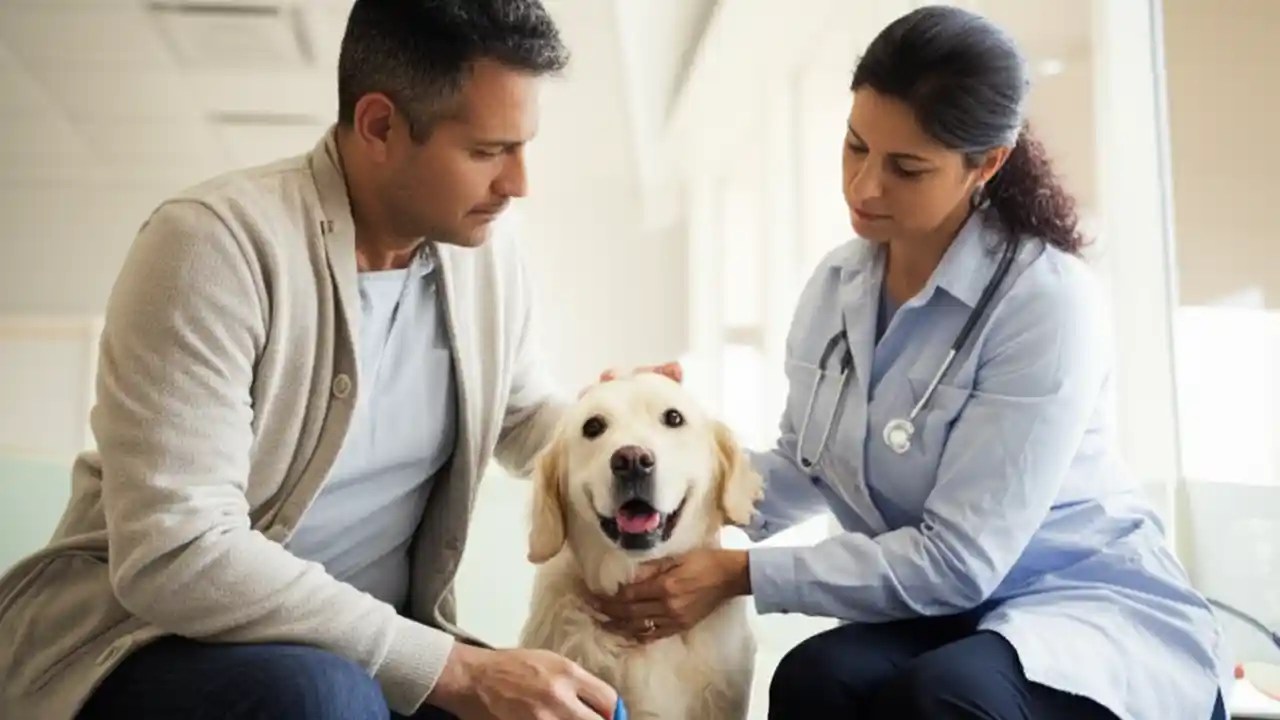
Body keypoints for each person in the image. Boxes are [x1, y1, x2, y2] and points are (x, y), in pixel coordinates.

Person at [590, 6, 1232, 720]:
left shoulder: (1046, 305)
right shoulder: (838, 287)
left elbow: (960, 561)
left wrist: (743, 573)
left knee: (946, 698)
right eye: (855, 147)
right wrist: (663, 449)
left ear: (986, 163)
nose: (865, 187)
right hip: (948, 616)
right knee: (812, 679)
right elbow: (803, 470)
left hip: (1081, 606)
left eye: (906, 167)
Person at [0, 2, 629, 719]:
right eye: (487, 152)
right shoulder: (211, 248)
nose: (518, 184)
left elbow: (518, 417)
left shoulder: (487, 253)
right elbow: (177, 553)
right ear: (379, 126)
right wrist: (454, 669)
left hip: (362, 656)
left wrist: (620, 430)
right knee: (326, 695)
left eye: (523, 147)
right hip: (147, 644)